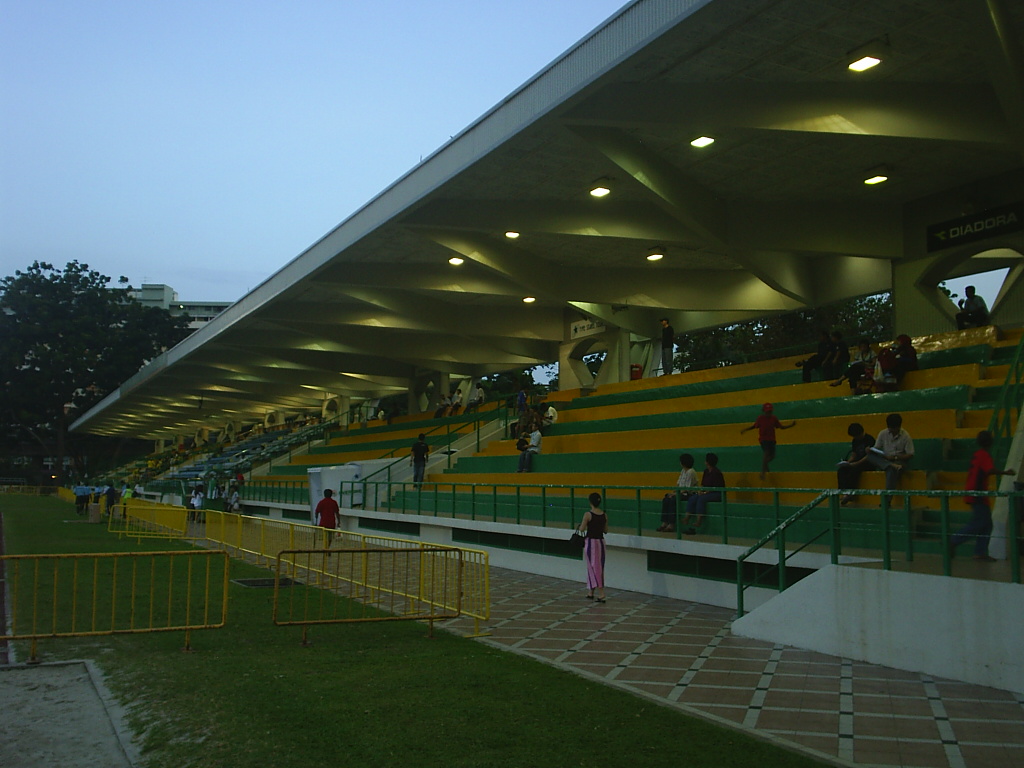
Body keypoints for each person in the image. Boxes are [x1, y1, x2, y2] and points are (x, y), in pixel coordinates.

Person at [950, 430, 1014, 561]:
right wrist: (1006, 472)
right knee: (979, 522)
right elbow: (989, 470)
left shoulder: (978, 454)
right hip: (977, 493)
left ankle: (979, 552)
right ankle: (953, 541)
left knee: (986, 524)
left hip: (974, 492)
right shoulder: (984, 455)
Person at [740, 403, 796, 480]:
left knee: (772, 456)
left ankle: (765, 465)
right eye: (767, 411)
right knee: (766, 453)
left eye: (770, 411)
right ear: (764, 411)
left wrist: (791, 425)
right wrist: (745, 429)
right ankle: (763, 473)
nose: (769, 413)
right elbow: (754, 426)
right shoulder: (760, 418)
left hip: (772, 439)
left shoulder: (774, 418)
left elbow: (781, 427)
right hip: (764, 439)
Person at [864, 413, 914, 493]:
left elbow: (910, 454)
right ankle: (892, 465)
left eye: (893, 429)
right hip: (885, 459)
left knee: (891, 470)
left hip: (899, 461)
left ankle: (887, 499)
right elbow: (876, 448)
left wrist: (895, 457)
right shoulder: (883, 433)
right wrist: (870, 450)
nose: (891, 430)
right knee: (869, 456)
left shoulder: (906, 436)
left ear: (898, 427)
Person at [680, 453, 725, 534]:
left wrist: (706, 492)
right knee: (693, 498)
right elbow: (703, 484)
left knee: (701, 499)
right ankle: (687, 517)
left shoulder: (717, 473)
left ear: (707, 462)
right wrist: (701, 491)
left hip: (716, 493)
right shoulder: (706, 471)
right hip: (706, 492)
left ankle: (699, 520)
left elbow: (717, 487)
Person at [837, 422, 875, 505]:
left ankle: (851, 492)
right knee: (842, 470)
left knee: (854, 470)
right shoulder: (855, 441)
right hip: (857, 461)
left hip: (868, 462)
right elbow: (854, 454)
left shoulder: (869, 439)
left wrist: (856, 463)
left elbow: (869, 456)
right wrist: (848, 462)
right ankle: (844, 492)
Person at [658, 453, 697, 532]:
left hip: (688, 494)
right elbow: (678, 483)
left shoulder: (691, 472)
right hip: (680, 493)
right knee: (666, 499)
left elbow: (687, 488)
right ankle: (665, 522)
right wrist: (673, 492)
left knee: (673, 500)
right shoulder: (683, 471)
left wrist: (676, 494)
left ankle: (671, 525)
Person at [580, 492, 607, 602]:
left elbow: (582, 529)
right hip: (601, 542)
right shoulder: (604, 515)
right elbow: (606, 530)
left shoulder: (588, 514)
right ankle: (591, 591)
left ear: (590, 502)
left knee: (593, 567)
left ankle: (601, 593)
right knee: (598, 566)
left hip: (591, 543)